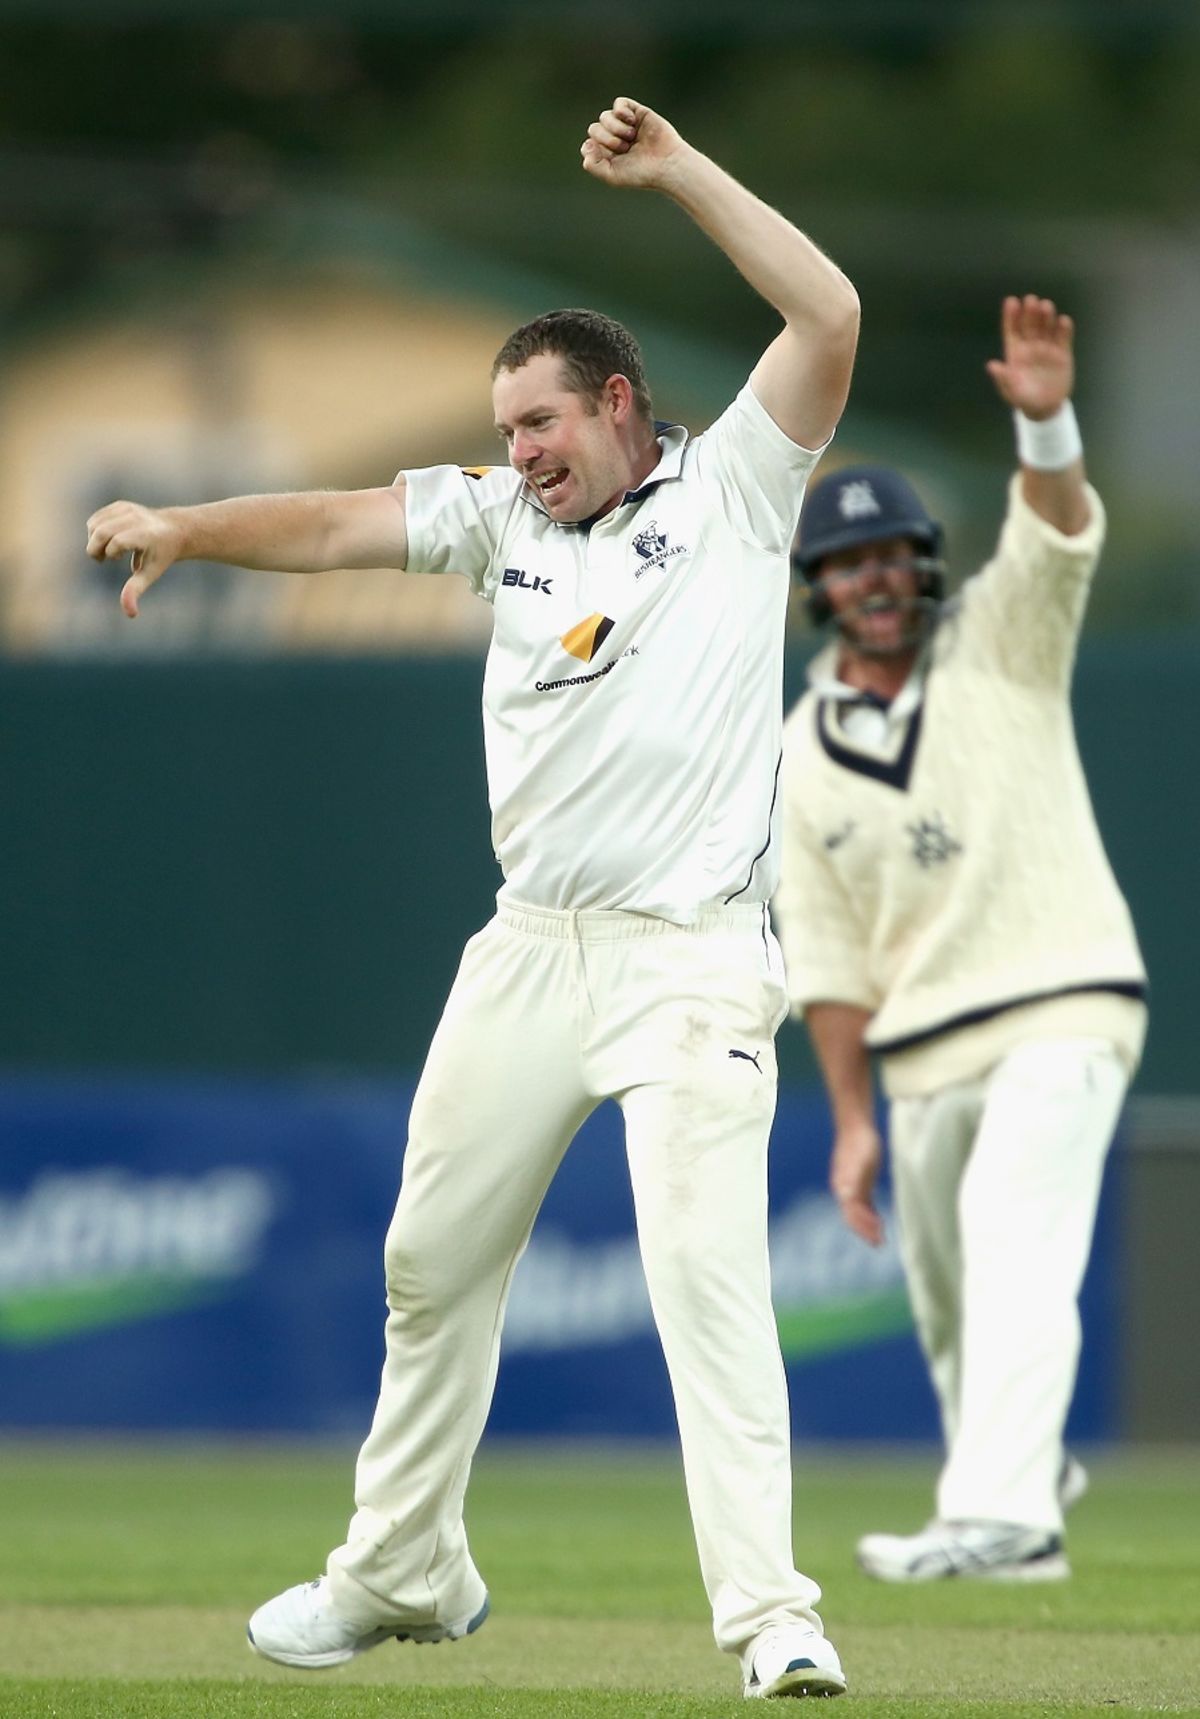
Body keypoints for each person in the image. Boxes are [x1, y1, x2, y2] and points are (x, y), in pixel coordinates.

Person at [87, 98, 860, 1697]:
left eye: (541, 424)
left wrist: (676, 172)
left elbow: (831, 314)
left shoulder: (736, 489)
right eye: (506, 430)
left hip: (691, 962)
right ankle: (404, 1570)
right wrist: (186, 528)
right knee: (428, 1266)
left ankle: (774, 1618)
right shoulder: (497, 519)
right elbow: (331, 523)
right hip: (527, 953)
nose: (521, 453)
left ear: (618, 403)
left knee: (705, 1282)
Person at [773, 295, 1147, 1584]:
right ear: (820, 588)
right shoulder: (800, 751)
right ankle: (1023, 1485)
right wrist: (852, 1120)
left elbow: (1055, 535)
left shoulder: (1003, 637)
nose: (875, 580)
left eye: (893, 557)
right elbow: (828, 957)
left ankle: (999, 1511)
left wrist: (1046, 425)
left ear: (926, 565)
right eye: (849, 564)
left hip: (1063, 997)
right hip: (923, 1052)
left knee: (1012, 1230)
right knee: (949, 1299)